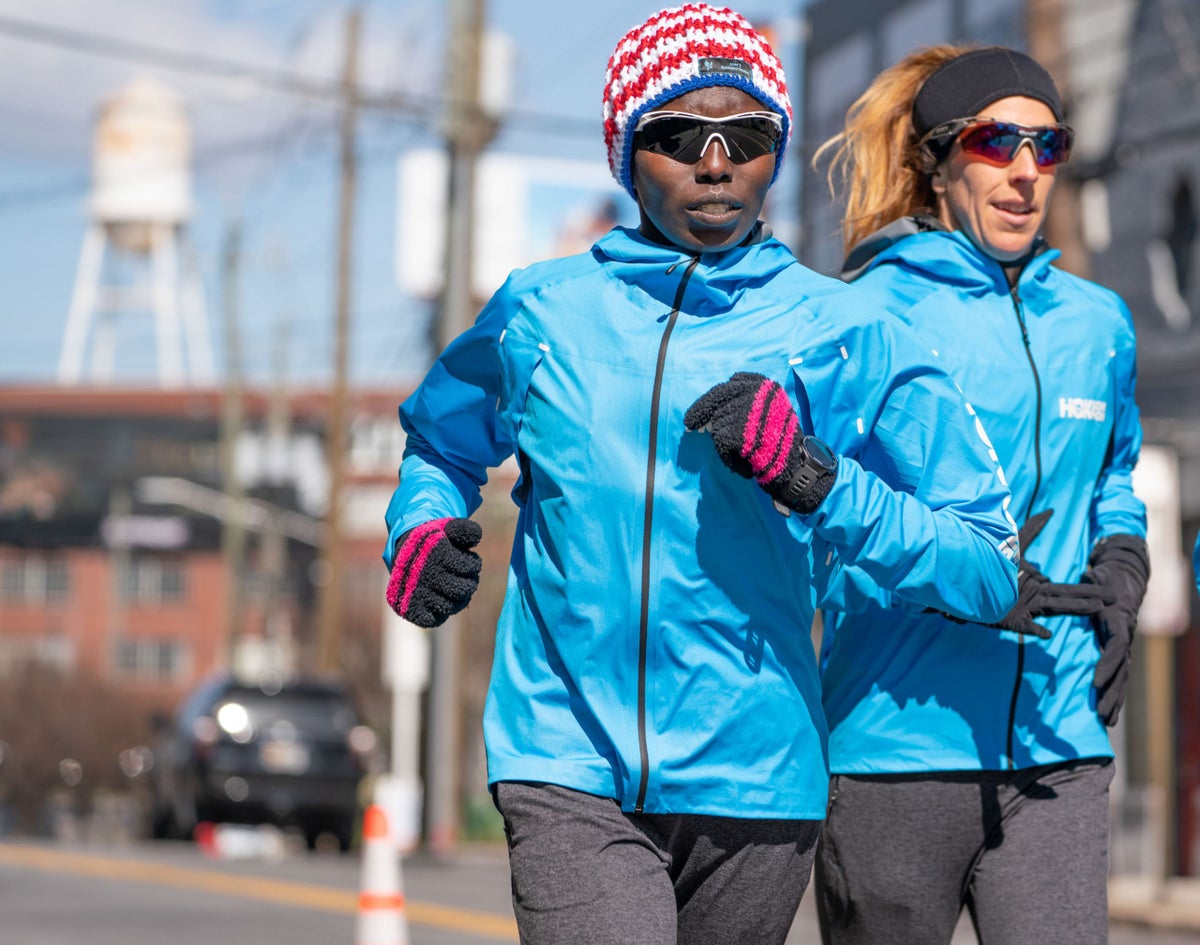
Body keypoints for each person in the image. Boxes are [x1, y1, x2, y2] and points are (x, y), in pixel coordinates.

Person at [383, 9, 1021, 944]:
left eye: (748, 136)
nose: (715, 162)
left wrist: (819, 481)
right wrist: (418, 528)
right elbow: (440, 445)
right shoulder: (542, 312)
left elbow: (988, 566)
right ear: (625, 151)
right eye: (680, 135)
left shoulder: (844, 331)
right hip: (567, 763)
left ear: (776, 150)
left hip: (757, 783)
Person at [812, 45, 1150, 944]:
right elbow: (819, 506)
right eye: (997, 142)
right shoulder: (864, 314)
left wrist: (1124, 557)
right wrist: (964, 580)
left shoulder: (1096, 323)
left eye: (1048, 146)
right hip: (896, 747)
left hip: (1058, 740)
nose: (1025, 171)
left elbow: (1116, 469)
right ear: (939, 160)